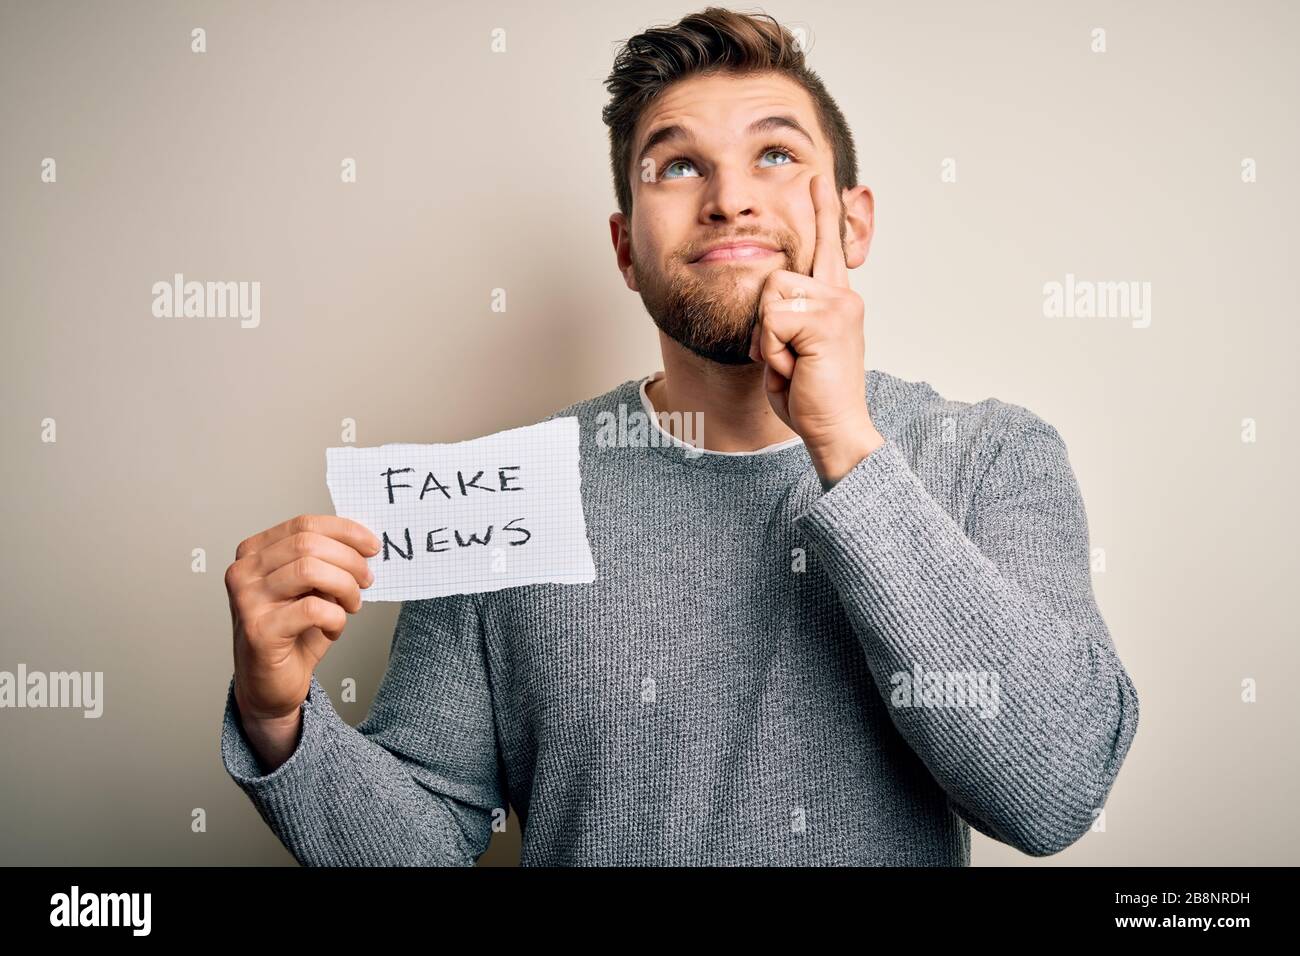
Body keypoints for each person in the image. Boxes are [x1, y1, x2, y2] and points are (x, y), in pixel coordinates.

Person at [220, 7, 1139, 866]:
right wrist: (279, 719)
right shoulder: (509, 487)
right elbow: (423, 838)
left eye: (776, 155)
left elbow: (1054, 793)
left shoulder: (993, 459)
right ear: (626, 249)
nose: (731, 199)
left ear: (853, 222)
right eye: (678, 165)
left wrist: (847, 446)